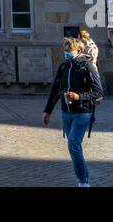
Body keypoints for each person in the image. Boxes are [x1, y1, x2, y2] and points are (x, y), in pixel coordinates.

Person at [42, 37, 104, 187]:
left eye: (69, 51)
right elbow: (55, 90)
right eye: (65, 51)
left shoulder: (87, 66)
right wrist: (47, 110)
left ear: (78, 51)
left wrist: (79, 96)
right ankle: (85, 178)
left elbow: (99, 92)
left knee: (73, 145)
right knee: (74, 148)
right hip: (66, 113)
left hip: (82, 113)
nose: (67, 53)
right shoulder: (64, 67)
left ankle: (83, 182)